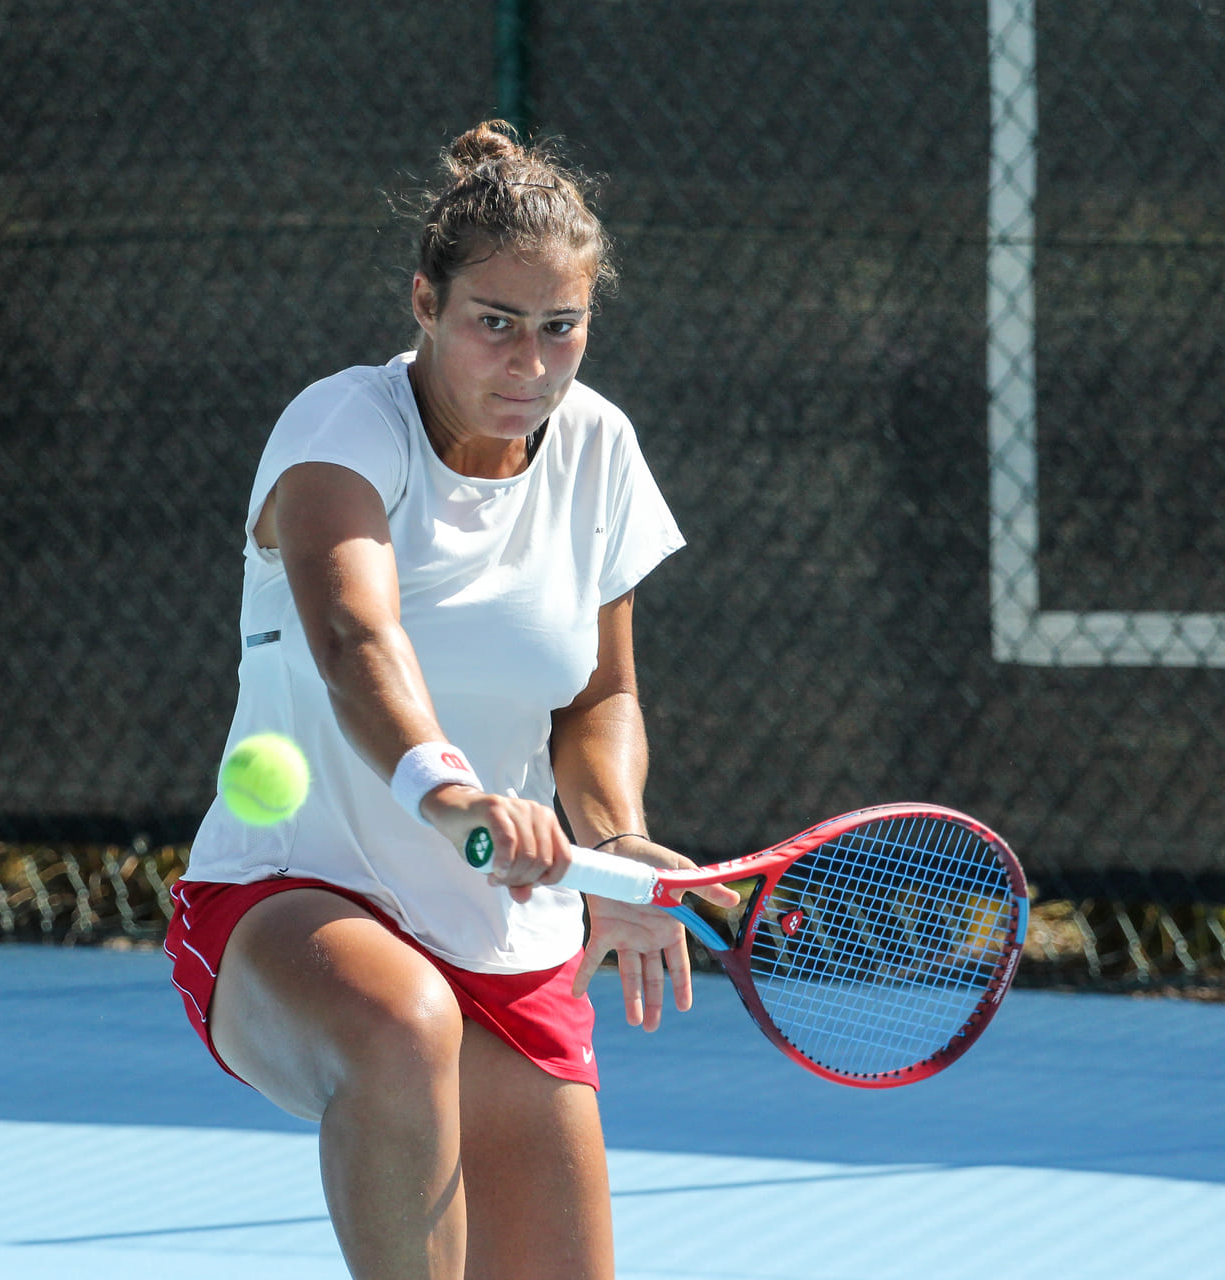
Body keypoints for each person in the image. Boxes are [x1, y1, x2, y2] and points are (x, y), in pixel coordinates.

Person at [164, 121, 739, 1278]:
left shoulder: (600, 448)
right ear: (424, 302)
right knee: (401, 1024)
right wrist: (449, 791)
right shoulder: (341, 427)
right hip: (291, 900)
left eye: (560, 328)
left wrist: (617, 845)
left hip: (508, 934)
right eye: (496, 324)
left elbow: (599, 694)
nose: (530, 365)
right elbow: (351, 633)